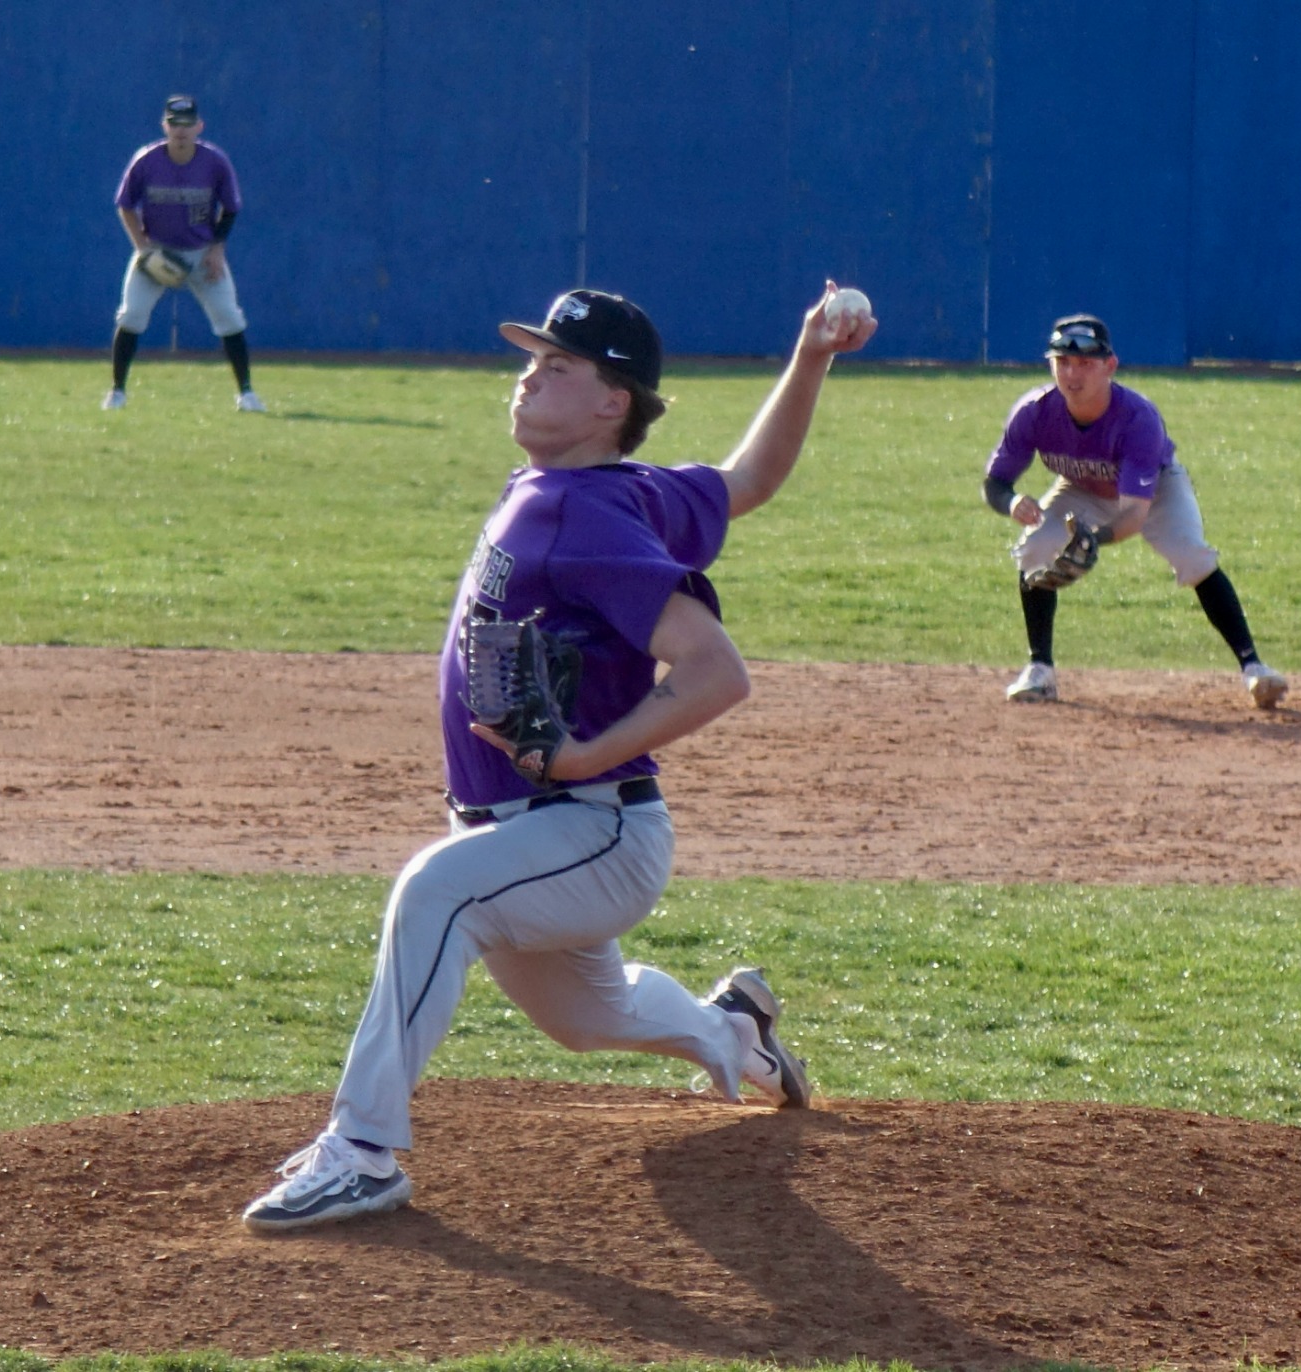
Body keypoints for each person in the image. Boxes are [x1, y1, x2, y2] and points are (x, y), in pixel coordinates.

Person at [241, 283, 878, 1233]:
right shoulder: (616, 491)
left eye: (557, 365)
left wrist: (586, 755)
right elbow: (749, 481)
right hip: (539, 832)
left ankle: (363, 1152)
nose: (528, 376)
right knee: (591, 1018)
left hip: (595, 830)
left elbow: (716, 670)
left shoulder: (592, 517)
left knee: (433, 894)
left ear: (610, 401)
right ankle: (736, 1030)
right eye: (531, 359)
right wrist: (811, 356)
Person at [983, 313, 1288, 709]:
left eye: (1086, 363)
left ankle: (1254, 669)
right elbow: (995, 483)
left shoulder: (1137, 418)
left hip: (1155, 490)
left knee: (1190, 554)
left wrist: (1096, 538)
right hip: (1079, 489)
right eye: (1063, 362)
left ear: (1110, 366)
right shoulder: (1035, 411)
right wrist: (1011, 502)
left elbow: (1133, 515)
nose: (1073, 374)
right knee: (1037, 547)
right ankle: (1039, 670)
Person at [103, 95, 264, 413]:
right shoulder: (146, 161)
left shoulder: (214, 162)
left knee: (229, 317)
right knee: (132, 315)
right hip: (157, 252)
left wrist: (217, 249)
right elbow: (125, 205)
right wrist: (142, 249)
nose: (181, 131)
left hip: (201, 252)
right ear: (164, 126)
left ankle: (246, 394)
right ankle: (117, 392)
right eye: (174, 124)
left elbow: (230, 209)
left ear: (199, 126)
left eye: (187, 124)